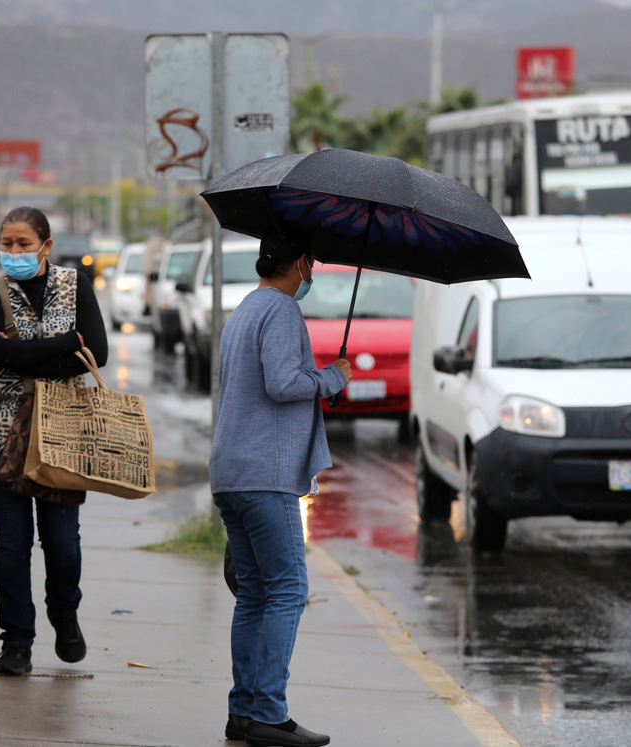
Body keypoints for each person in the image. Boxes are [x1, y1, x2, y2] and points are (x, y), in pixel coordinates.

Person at [209, 228, 351, 747]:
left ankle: (243, 712)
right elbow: (283, 382)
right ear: (303, 263)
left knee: (254, 593)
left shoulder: (245, 309)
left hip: (232, 472)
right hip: (264, 474)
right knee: (288, 589)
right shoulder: (283, 311)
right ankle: (269, 713)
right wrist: (333, 377)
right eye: (312, 264)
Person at [0, 206, 108, 675]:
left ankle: (64, 613)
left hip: (63, 431)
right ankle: (16, 643)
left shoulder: (75, 285)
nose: (13, 252)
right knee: (12, 541)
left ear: (46, 246)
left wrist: (21, 355)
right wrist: (65, 344)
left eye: (23, 244)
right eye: (6, 243)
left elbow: (98, 350)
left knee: (62, 541)